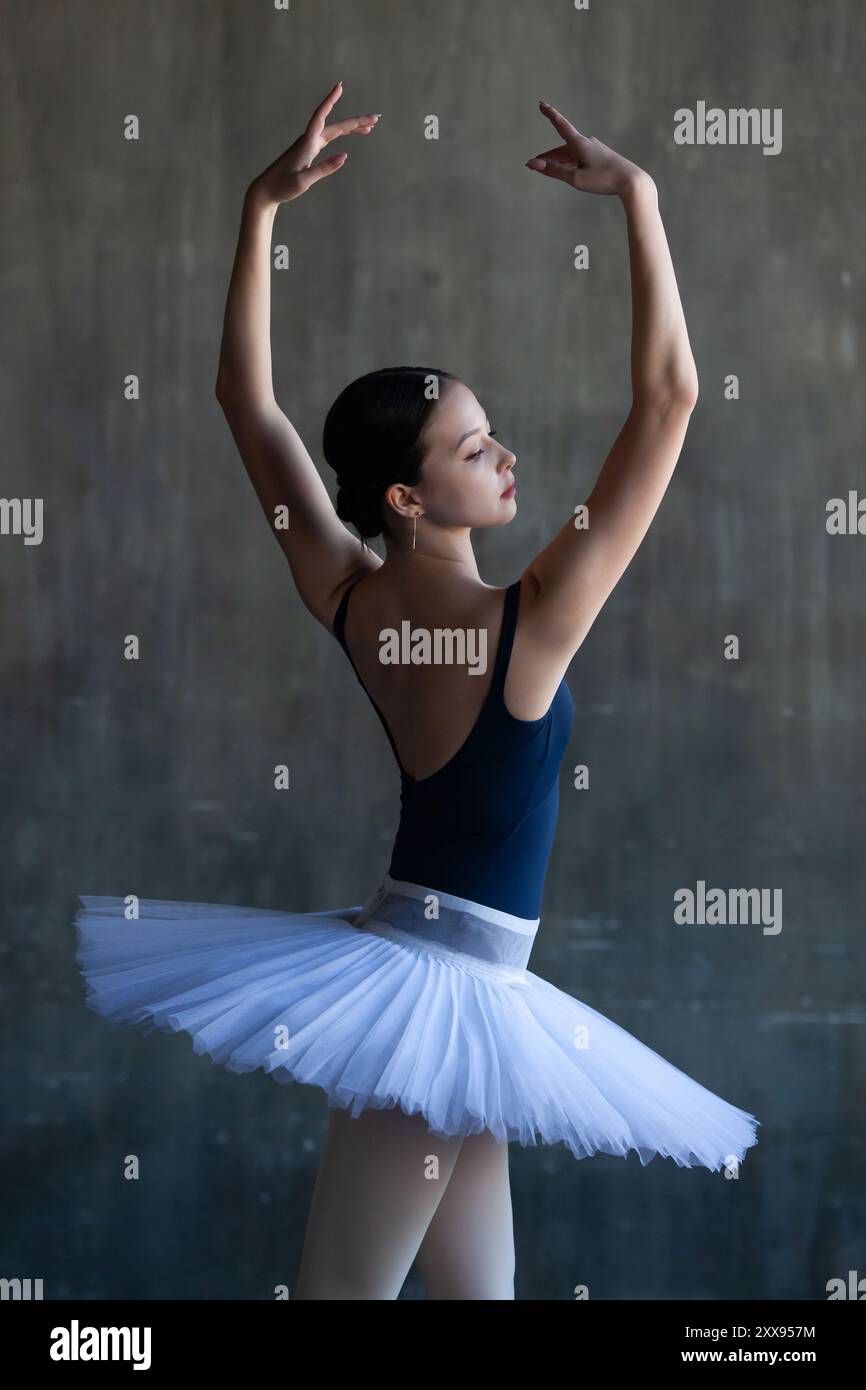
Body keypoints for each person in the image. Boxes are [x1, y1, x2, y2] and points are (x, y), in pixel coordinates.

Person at [74, 83, 759, 1300]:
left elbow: (248, 406)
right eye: (472, 447)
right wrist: (640, 200)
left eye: (491, 435)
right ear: (405, 497)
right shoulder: (530, 622)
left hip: (441, 985)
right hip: (443, 994)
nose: (505, 457)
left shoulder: (345, 592)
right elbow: (668, 403)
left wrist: (257, 214)